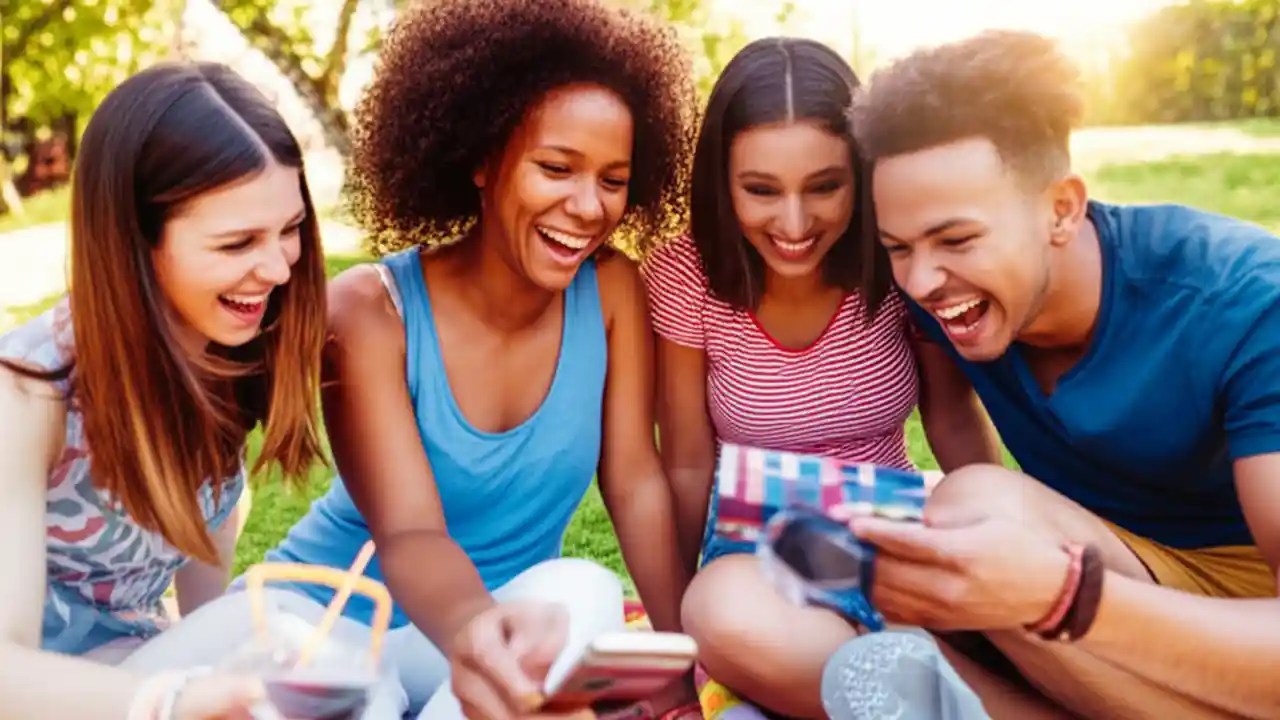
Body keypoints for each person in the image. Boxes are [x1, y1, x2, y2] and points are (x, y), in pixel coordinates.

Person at [258, 0, 700, 717]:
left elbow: (635, 481)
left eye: (612, 180)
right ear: (480, 160)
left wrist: (682, 661)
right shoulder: (370, 314)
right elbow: (410, 534)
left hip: (491, 634)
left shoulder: (611, 290)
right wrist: (478, 638)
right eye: (556, 167)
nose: (588, 207)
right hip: (333, 624)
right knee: (373, 697)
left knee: (583, 588)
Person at [845, 29, 1280, 719]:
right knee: (891, 554)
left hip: (1251, 599)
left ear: (1060, 209)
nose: (922, 279)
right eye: (899, 247)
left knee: (969, 511)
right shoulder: (954, 296)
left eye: (956, 240)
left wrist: (1058, 595)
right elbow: (954, 424)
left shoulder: (1244, 303)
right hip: (1128, 563)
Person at [643, 37, 997, 718]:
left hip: (893, 528)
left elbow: (951, 419)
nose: (796, 224)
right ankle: (919, 689)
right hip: (758, 549)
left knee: (997, 607)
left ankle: (895, 682)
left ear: (861, 175)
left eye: (825, 187)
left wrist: (1006, 532)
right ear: (722, 181)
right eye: (761, 191)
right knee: (717, 614)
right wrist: (677, 626)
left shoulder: (895, 253)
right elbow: (686, 463)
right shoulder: (686, 275)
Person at [0, 62, 328, 718]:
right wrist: (178, 696)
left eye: (289, 230)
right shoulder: (27, 395)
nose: (276, 268)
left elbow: (204, 613)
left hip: (146, 670)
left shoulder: (230, 355)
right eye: (238, 242)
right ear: (135, 242)